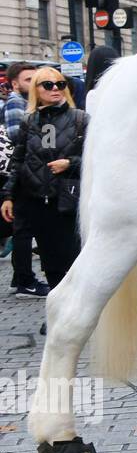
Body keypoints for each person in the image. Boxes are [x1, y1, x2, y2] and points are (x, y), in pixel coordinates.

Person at [1, 68, 87, 291]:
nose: (56, 89)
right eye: (48, 85)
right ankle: (58, 311)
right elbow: (18, 160)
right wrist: (8, 196)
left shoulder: (81, 119)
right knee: (51, 265)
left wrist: (70, 163)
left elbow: (97, 159)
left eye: (60, 84)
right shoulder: (29, 121)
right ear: (36, 90)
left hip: (69, 200)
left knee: (75, 260)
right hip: (37, 201)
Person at [4, 62, 46, 299]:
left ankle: (19, 278)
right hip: (19, 174)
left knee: (23, 228)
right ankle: (24, 281)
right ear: (15, 83)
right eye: (28, 80)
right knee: (23, 229)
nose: (33, 84)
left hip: (25, 172)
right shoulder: (15, 103)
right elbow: (16, 136)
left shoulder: (26, 103)